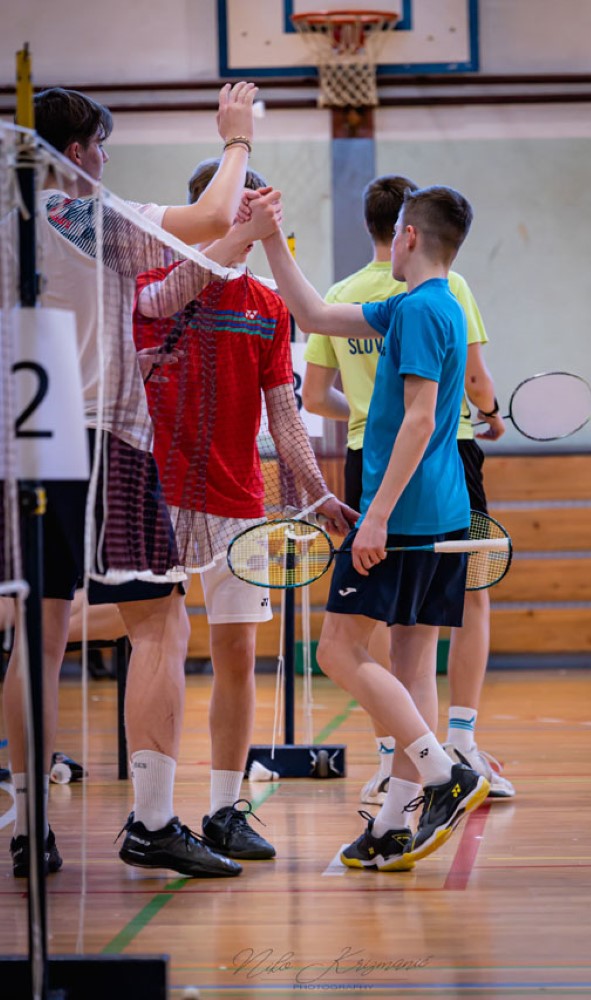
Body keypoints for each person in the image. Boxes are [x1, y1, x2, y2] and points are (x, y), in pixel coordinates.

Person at [3, 83, 263, 879]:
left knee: (38, 635)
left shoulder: (16, 223)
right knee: (158, 621)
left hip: (22, 445)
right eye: (102, 149)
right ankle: (151, 822)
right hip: (100, 436)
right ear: (75, 154)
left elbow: (163, 283)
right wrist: (236, 141)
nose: (107, 163)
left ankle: (30, 826)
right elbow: (214, 218)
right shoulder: (73, 213)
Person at [260, 184, 490, 871]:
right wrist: (272, 236)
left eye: (394, 235)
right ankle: (393, 821)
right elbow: (313, 313)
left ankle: (445, 774)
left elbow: (419, 420)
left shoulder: (419, 311)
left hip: (406, 511)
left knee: (337, 651)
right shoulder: (421, 304)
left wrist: (378, 517)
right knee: (409, 664)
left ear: (408, 237)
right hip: (438, 508)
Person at [133, 160, 356, 860]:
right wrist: (235, 235)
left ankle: (225, 811)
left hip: (240, 502)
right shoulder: (154, 283)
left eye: (253, 209)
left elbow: (285, 415)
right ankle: (152, 815)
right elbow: (171, 294)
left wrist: (316, 488)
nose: (245, 220)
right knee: (146, 637)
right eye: (232, 209)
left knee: (237, 655)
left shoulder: (267, 304)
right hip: (157, 496)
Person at [302, 175, 515, 803]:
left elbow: (323, 396)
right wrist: (492, 411)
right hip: (444, 471)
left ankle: (431, 767)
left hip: (390, 477)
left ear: (406, 235)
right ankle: (437, 767)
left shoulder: (386, 298)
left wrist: (372, 430)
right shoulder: (446, 292)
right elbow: (473, 381)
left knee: (348, 645)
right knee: (430, 636)